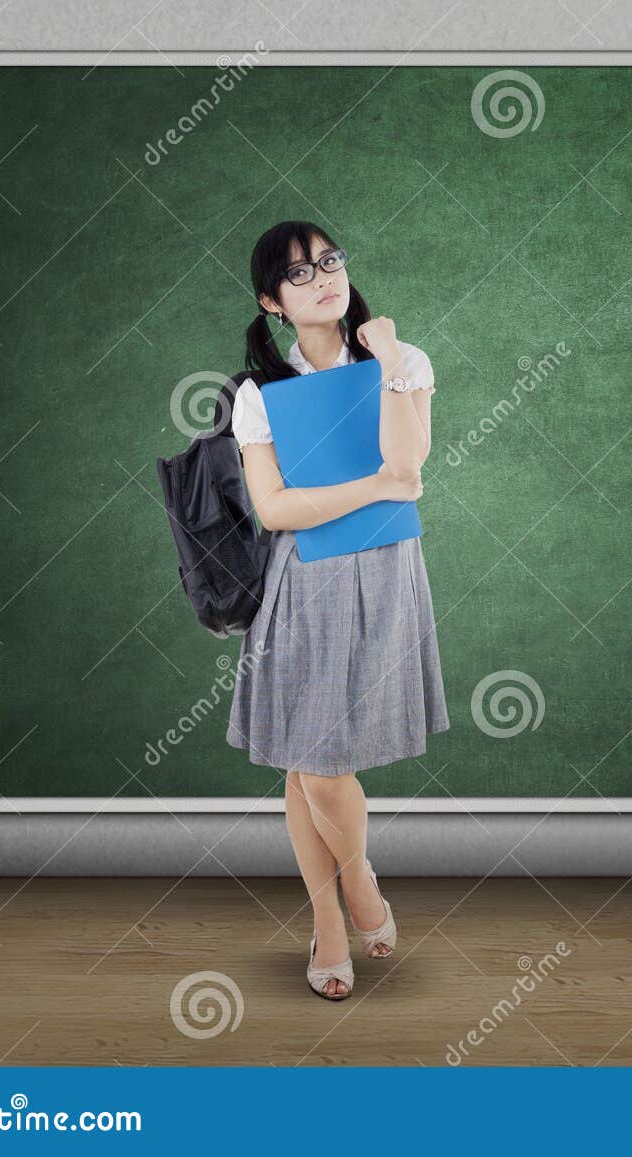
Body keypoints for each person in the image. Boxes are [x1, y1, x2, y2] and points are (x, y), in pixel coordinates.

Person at [225, 220, 450, 1000]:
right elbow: (277, 509)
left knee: (313, 767)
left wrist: (386, 361)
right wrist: (376, 489)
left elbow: (408, 465)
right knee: (311, 766)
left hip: (385, 573)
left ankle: (331, 921)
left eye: (330, 261)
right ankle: (354, 899)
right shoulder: (262, 394)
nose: (323, 277)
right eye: (298, 274)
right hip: (304, 581)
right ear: (272, 303)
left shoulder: (403, 360)